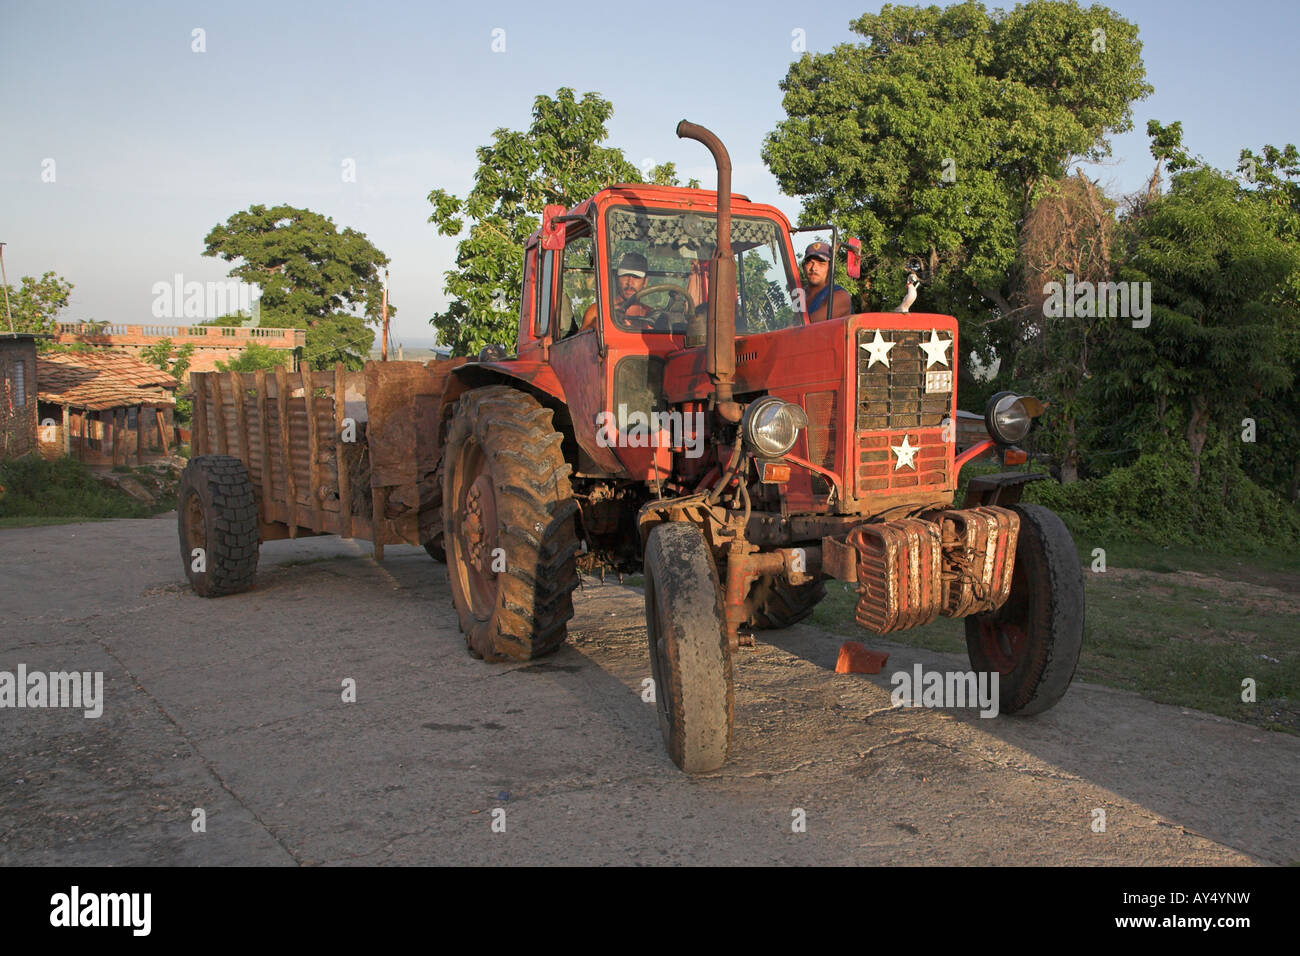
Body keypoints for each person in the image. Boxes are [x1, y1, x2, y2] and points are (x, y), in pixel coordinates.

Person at [582, 252, 652, 330]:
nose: (629, 283)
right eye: (624, 275)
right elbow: (581, 340)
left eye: (636, 277)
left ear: (645, 281)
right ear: (616, 278)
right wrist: (602, 322)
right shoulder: (597, 311)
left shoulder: (651, 316)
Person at [801, 241, 851, 321]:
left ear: (831, 268)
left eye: (821, 264)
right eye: (810, 263)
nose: (814, 268)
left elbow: (805, 325)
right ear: (803, 267)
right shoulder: (800, 294)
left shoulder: (840, 296)